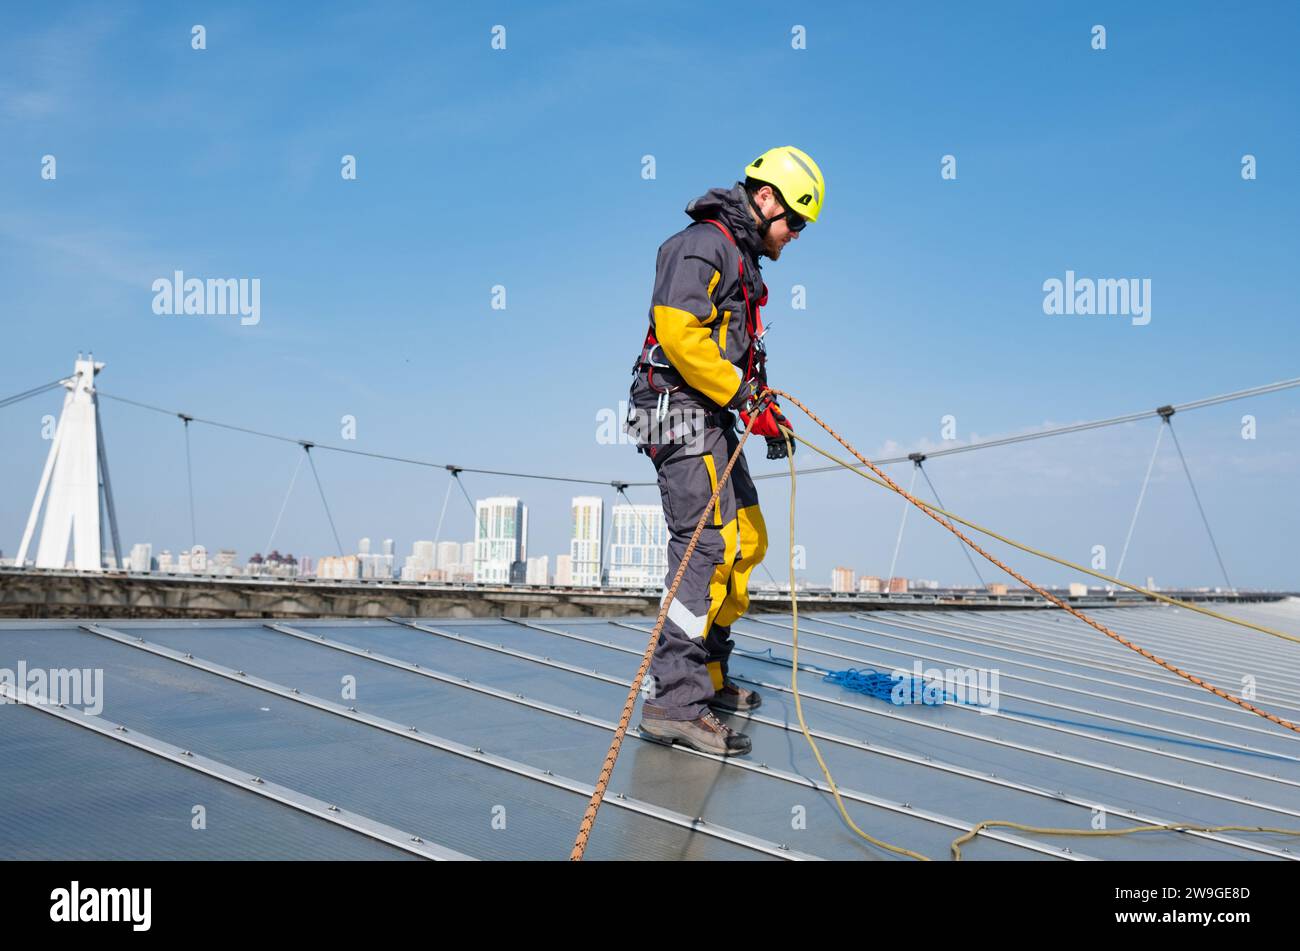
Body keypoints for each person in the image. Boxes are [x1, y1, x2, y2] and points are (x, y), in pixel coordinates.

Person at [624, 146, 826, 756]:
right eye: (796, 221)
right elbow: (680, 333)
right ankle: (674, 702)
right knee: (706, 545)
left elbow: (727, 353)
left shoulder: (738, 257)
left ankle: (707, 676)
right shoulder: (701, 246)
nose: (796, 235)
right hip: (677, 411)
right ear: (766, 199)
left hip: (705, 411)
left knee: (748, 538)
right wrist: (741, 394)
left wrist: (761, 411)